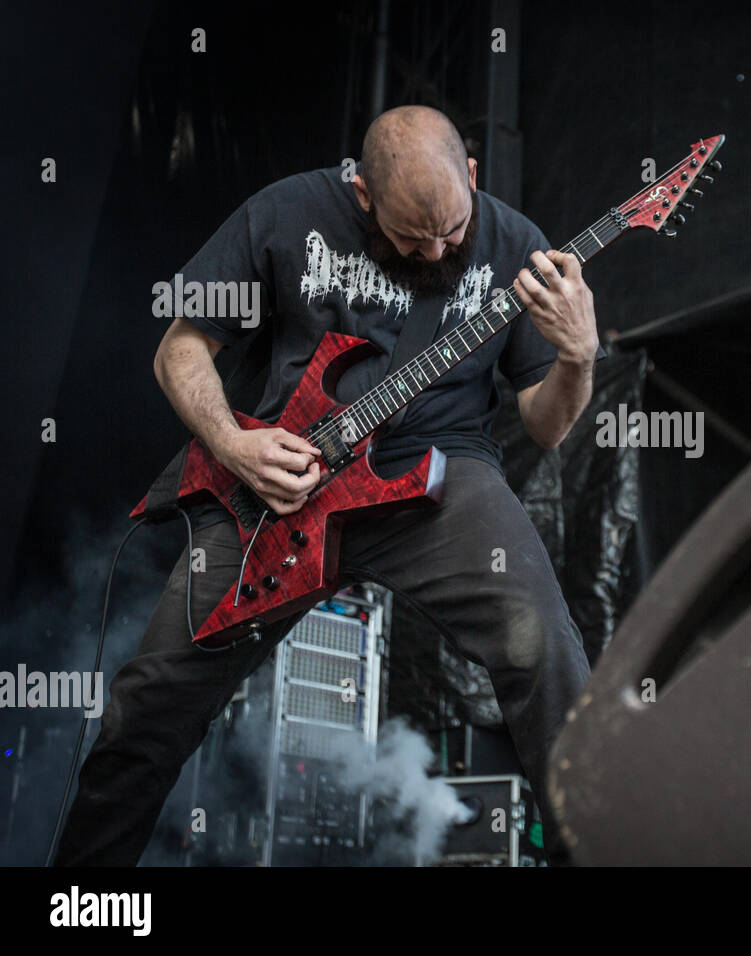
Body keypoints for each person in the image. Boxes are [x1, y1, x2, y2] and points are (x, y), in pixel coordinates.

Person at [53, 105, 600, 866]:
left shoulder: (518, 248)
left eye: (452, 228)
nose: (440, 249)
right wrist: (232, 443)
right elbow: (181, 348)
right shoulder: (284, 213)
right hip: (279, 484)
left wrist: (577, 357)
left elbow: (547, 426)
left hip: (440, 478)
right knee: (147, 707)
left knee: (546, 649)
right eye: (415, 237)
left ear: (471, 175)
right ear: (363, 195)